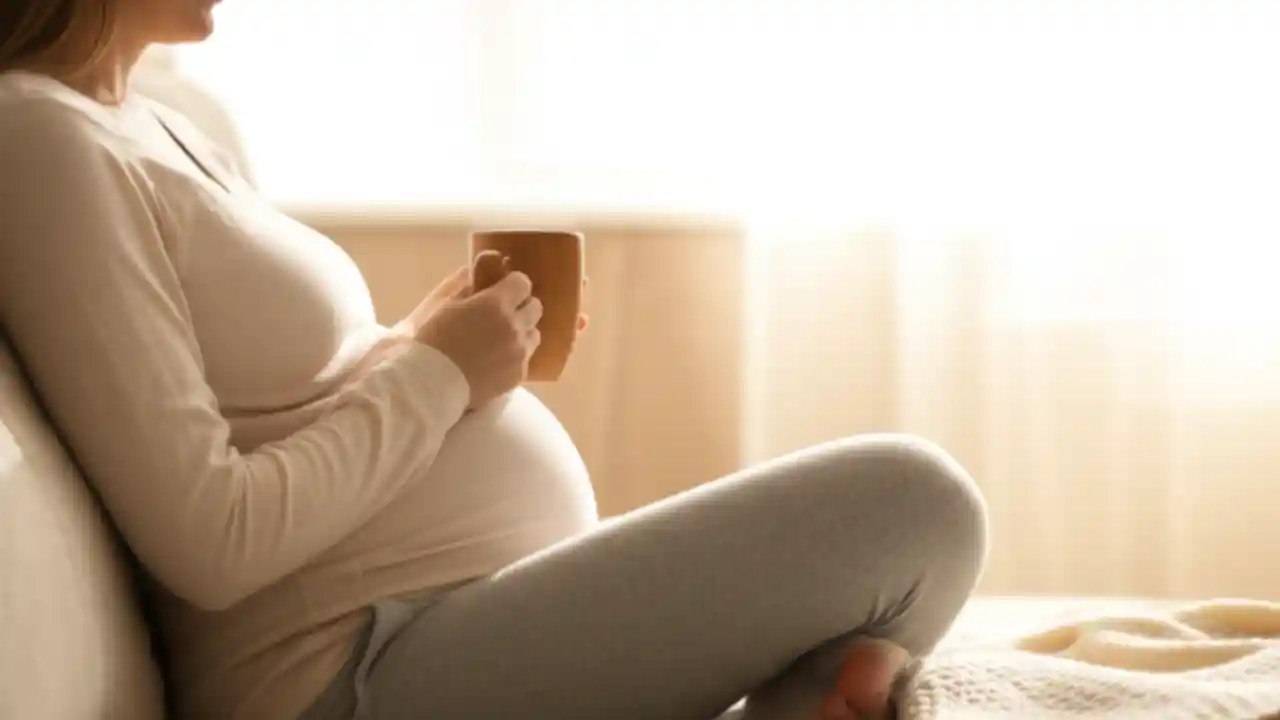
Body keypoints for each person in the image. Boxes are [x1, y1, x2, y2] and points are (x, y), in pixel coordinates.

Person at [0, 2, 988, 719]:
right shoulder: (36, 136)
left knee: (905, 556)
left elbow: (275, 397)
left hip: (440, 624)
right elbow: (212, 539)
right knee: (914, 506)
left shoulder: (164, 115)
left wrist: (418, 341)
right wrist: (437, 376)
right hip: (350, 676)